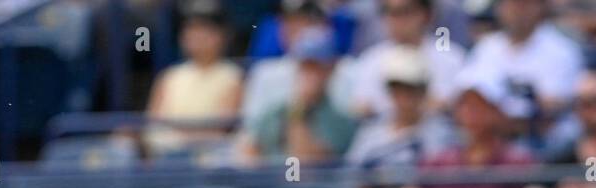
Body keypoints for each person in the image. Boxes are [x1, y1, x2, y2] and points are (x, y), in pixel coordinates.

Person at [377, 72, 533, 188]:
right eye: (465, 105)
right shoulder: (438, 162)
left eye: (480, 106)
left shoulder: (518, 162)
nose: (471, 113)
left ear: (497, 111)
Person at [241, 26, 358, 164]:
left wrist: (298, 111)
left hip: (307, 183)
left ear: (330, 69)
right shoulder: (277, 109)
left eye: (316, 67)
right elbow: (249, 148)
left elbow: (302, 165)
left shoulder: (341, 119)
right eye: (305, 66)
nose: (309, 74)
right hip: (271, 181)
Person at [144, 0, 243, 156]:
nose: (197, 35)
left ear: (222, 35)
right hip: (166, 155)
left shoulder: (232, 76)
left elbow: (219, 129)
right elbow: (152, 125)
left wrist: (182, 138)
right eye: (192, 28)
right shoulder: (169, 76)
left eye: (205, 29)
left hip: (208, 156)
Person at [462, 0, 584, 121]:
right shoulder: (486, 46)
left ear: (540, 7)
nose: (516, 11)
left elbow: (555, 104)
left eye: (523, 4)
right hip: (490, 131)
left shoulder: (562, 50)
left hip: (541, 135)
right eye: (510, 4)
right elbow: (464, 92)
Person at [349, 0, 466, 118]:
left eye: (405, 12)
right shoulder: (370, 60)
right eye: (391, 12)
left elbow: (453, 105)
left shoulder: (452, 58)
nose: (398, 20)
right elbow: (362, 107)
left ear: (426, 15)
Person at [345, 45, 454, 170]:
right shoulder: (370, 133)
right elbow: (352, 175)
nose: (404, 98)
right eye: (397, 90)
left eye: (410, 90)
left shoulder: (441, 134)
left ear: (423, 92)